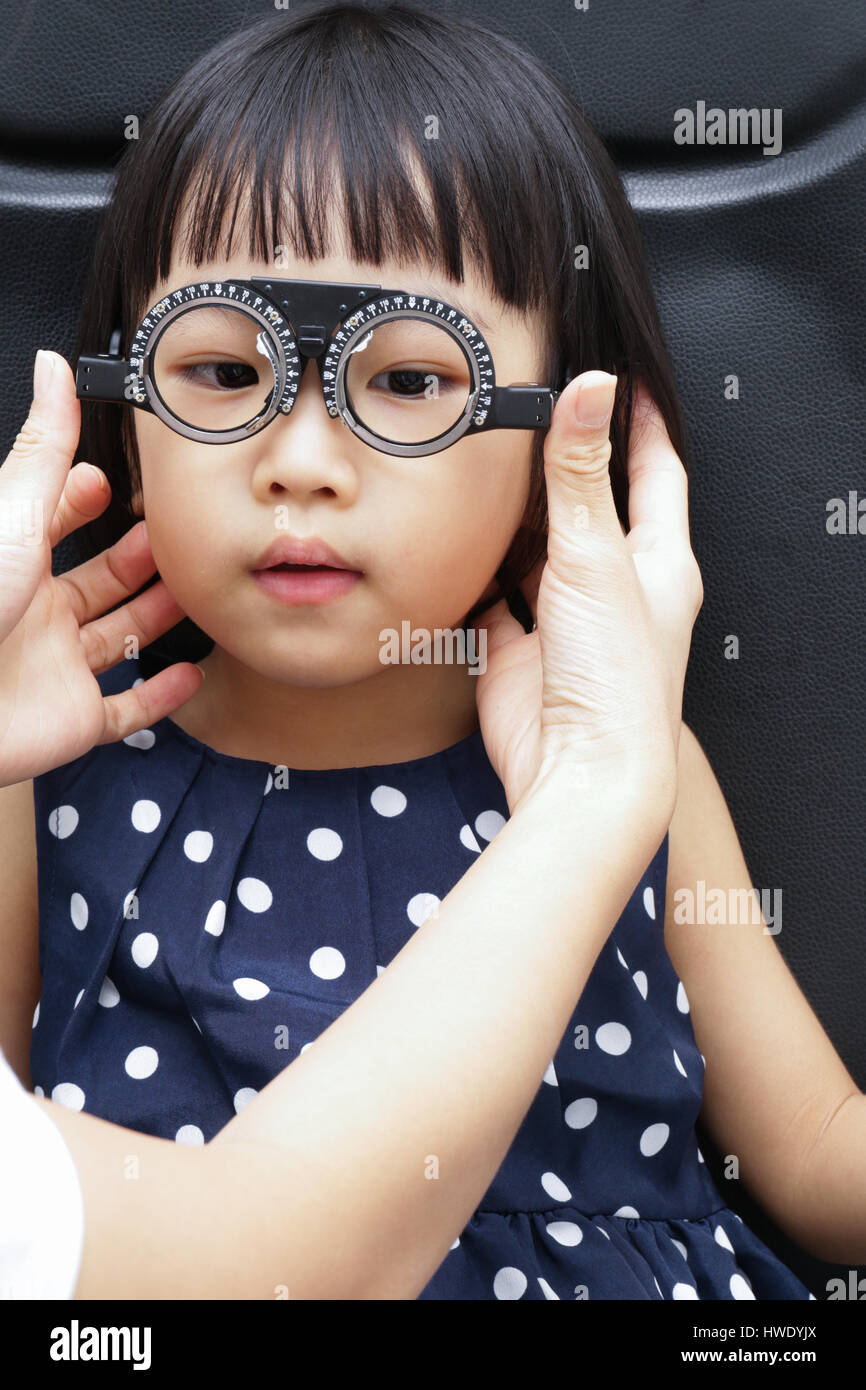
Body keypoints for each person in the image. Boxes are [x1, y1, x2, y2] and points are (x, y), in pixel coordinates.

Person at [1, 2, 861, 1300]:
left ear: (561, 435)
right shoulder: (39, 761)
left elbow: (812, 1151)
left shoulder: (624, 752)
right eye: (222, 372)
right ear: (123, 413)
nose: (299, 463)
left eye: (408, 381)